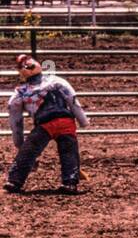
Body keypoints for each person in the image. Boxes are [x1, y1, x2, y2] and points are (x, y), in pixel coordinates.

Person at [5, 54, 88, 195]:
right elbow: (72, 100)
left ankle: (15, 181)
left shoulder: (21, 92)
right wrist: (82, 120)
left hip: (44, 124)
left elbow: (15, 120)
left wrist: (19, 142)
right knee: (69, 152)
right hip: (65, 122)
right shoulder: (57, 81)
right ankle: (70, 182)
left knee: (28, 152)